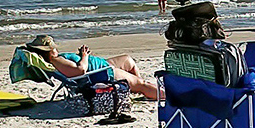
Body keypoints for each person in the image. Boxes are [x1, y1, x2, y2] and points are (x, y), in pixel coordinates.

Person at [26, 34, 159, 100]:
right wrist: (84, 55)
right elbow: (80, 70)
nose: (55, 49)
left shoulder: (55, 59)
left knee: (128, 60)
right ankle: (160, 93)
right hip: (102, 73)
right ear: (47, 50)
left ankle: (135, 90)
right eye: (52, 48)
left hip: (101, 66)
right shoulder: (56, 60)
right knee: (142, 84)